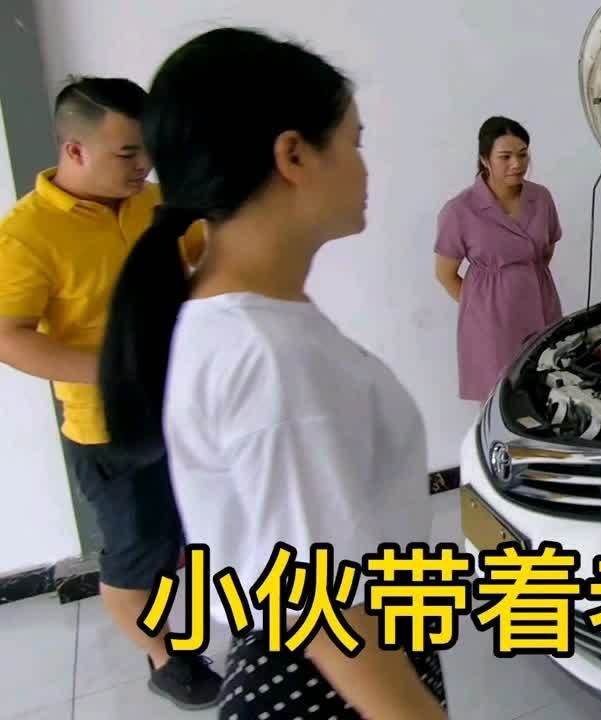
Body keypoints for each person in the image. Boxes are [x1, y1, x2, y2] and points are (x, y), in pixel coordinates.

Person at [96, 28, 447, 720]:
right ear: (293, 155)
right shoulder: (267, 355)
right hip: (338, 684)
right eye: (353, 142)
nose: (364, 169)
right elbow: (322, 610)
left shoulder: (233, 320)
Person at [0, 76, 220, 709]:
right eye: (128, 152)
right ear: (75, 150)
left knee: (197, 533)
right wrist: (119, 370)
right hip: (112, 432)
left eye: (148, 149)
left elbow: (208, 256)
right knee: (138, 556)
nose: (143, 164)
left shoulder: (154, 203)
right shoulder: (27, 235)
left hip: (189, 409)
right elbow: (9, 336)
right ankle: (165, 657)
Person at [433, 116, 564, 404]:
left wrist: (526, 283)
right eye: (505, 157)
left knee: (550, 393)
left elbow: (546, 249)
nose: (517, 164)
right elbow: (445, 274)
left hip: (543, 308)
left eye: (523, 154)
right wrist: (482, 309)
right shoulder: (460, 211)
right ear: (485, 160)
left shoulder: (541, 198)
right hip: (491, 325)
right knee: (501, 402)